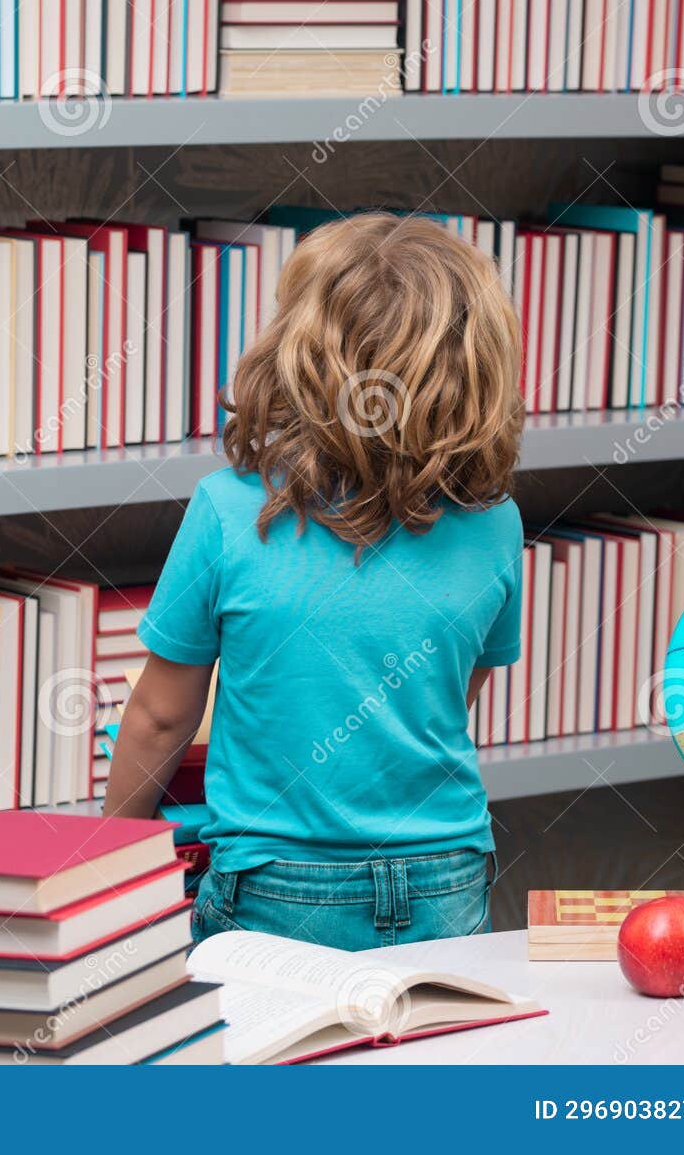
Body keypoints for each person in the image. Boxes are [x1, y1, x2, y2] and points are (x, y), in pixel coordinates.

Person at [102, 213, 526, 951]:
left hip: (275, 876)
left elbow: (161, 719)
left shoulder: (230, 511)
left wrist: (108, 860)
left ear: (296, 349)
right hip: (447, 873)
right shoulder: (495, 522)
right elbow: (451, 694)